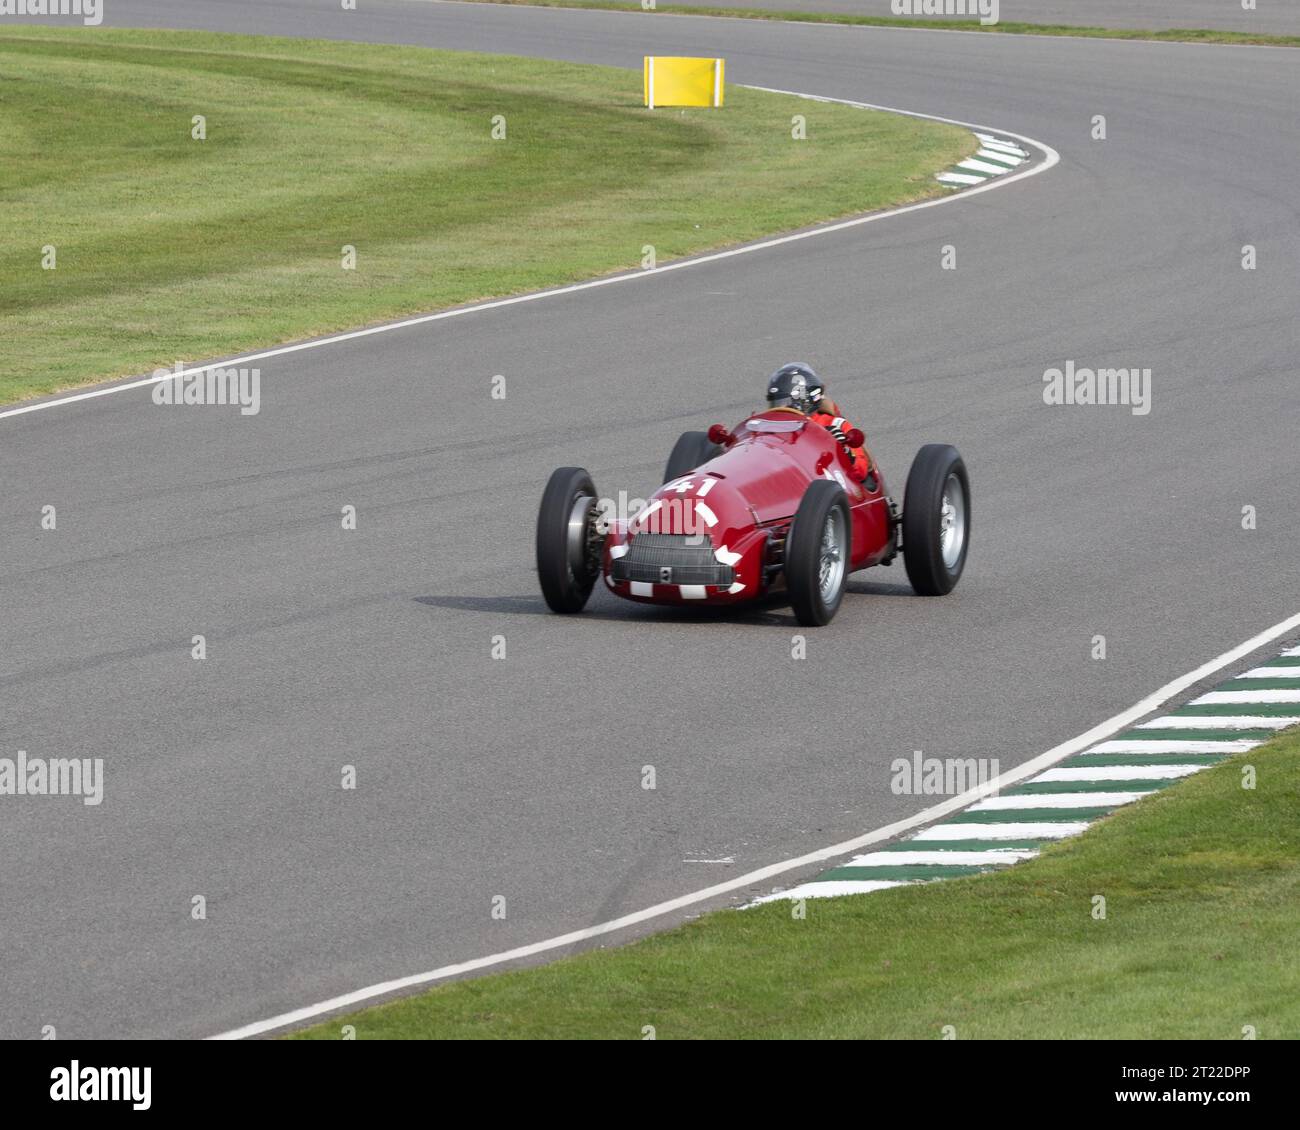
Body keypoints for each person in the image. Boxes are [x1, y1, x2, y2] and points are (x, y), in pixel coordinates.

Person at [765, 362, 874, 485]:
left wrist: (844, 452)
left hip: (834, 487)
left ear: (805, 400)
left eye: (785, 402)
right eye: (776, 403)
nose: (780, 408)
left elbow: (861, 471)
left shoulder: (836, 424)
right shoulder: (773, 429)